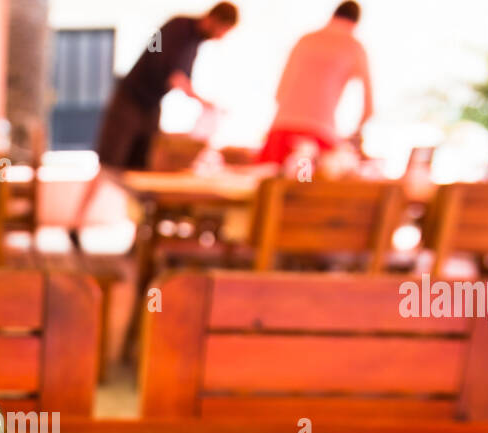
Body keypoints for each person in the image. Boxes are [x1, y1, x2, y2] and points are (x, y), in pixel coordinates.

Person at [70, 3, 238, 249]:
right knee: (107, 165)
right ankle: (75, 224)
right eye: (223, 30)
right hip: (129, 101)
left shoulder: (196, 42)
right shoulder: (178, 27)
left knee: (144, 170)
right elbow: (174, 75)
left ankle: (138, 240)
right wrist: (205, 102)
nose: (222, 37)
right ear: (215, 20)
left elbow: (180, 78)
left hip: (150, 106)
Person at [258, 2, 373, 166]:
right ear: (355, 23)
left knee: (267, 187)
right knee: (306, 186)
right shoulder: (354, 47)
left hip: (281, 130)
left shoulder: (305, 40)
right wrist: (355, 137)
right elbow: (369, 108)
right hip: (317, 138)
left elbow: (279, 93)